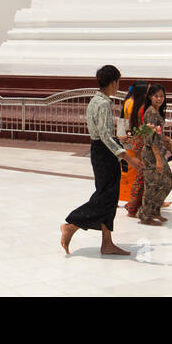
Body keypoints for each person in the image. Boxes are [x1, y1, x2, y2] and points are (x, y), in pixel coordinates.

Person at [61, 65, 143, 257]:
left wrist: (117, 140)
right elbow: (105, 136)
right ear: (113, 82)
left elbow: (101, 134)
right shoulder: (104, 104)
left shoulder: (94, 101)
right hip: (105, 154)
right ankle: (72, 224)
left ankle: (107, 243)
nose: (118, 86)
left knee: (109, 196)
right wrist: (128, 157)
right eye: (118, 82)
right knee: (105, 197)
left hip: (99, 150)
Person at [137, 84, 172, 226]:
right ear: (150, 97)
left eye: (161, 96)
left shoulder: (156, 111)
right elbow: (151, 138)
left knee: (166, 182)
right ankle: (145, 215)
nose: (159, 98)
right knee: (153, 184)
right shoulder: (151, 113)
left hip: (156, 151)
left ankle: (154, 210)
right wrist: (159, 159)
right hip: (151, 153)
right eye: (156, 96)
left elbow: (157, 133)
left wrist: (166, 141)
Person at [123, 82, 149, 218]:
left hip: (137, 140)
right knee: (140, 176)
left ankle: (137, 204)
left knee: (140, 175)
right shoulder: (141, 108)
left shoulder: (131, 103)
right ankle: (133, 205)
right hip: (142, 142)